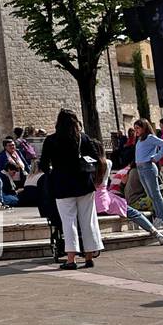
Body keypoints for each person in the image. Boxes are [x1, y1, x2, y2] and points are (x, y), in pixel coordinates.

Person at [40, 110, 103, 269]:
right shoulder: (83, 138)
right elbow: (96, 157)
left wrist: (52, 173)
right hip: (83, 183)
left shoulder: (51, 140)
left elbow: (43, 164)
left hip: (62, 185)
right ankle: (89, 256)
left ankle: (71, 259)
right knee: (88, 221)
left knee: (68, 222)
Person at [131, 119, 163, 229]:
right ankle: (159, 217)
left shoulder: (149, 137)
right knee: (151, 195)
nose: (136, 130)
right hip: (140, 168)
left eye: (138, 128)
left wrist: (156, 157)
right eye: (135, 128)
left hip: (148, 167)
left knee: (156, 194)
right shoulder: (139, 139)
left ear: (144, 128)